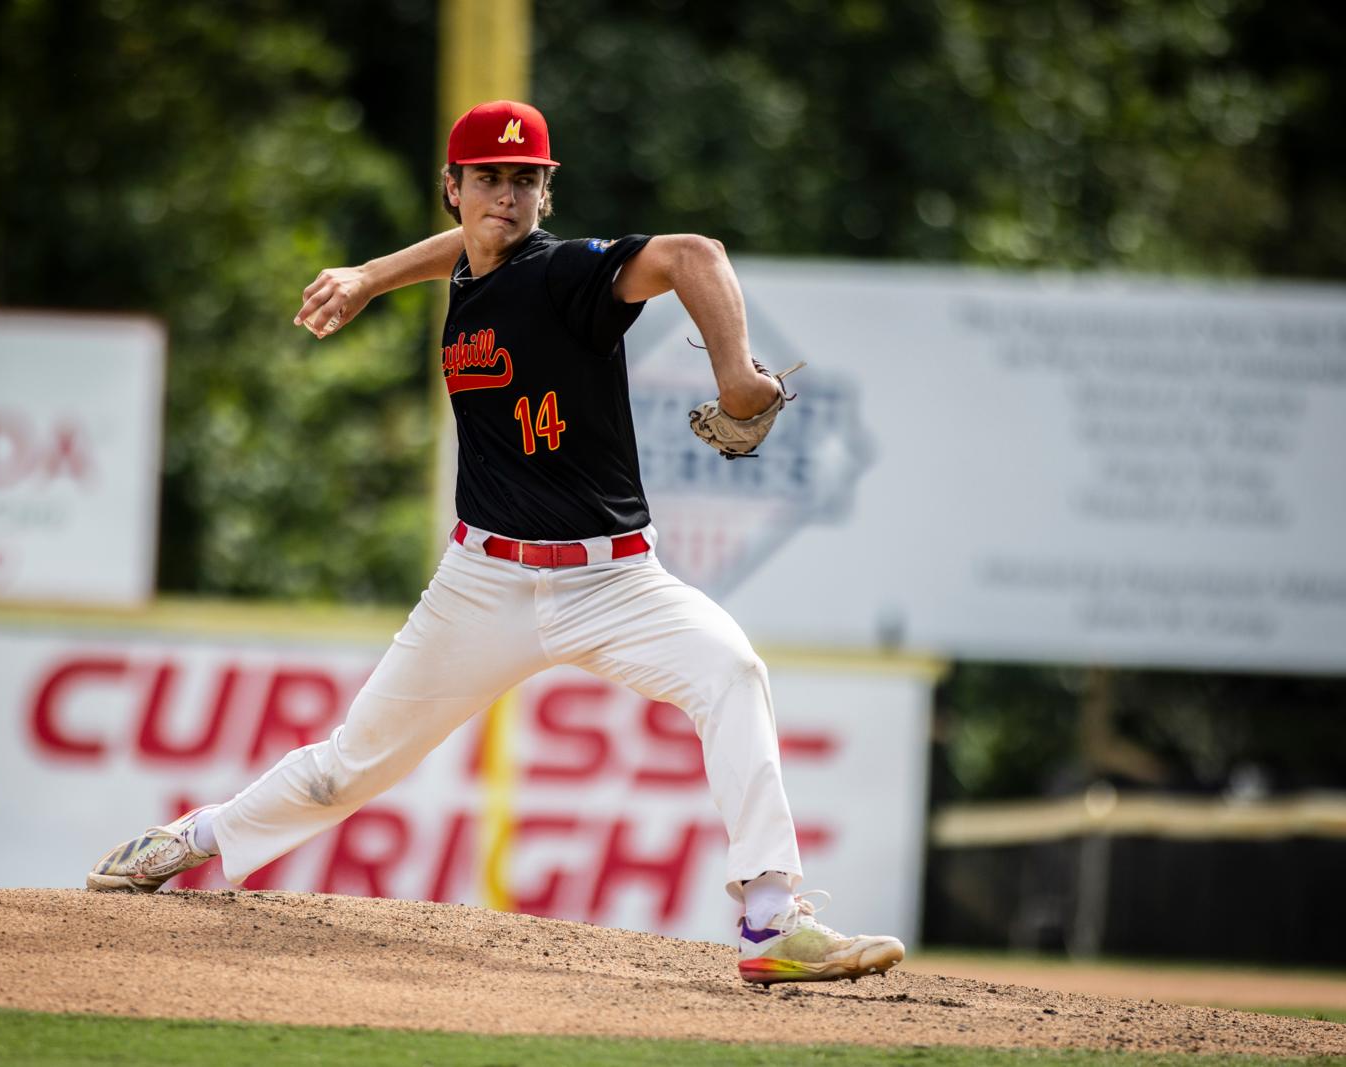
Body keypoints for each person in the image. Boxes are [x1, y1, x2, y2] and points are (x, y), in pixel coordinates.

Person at [87, 100, 904, 985]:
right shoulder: (475, 271)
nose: (505, 197)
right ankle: (193, 838)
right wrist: (366, 276)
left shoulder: (569, 278)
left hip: (615, 582)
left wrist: (737, 374)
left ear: (547, 193)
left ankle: (770, 919)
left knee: (733, 672)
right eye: (488, 179)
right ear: (454, 187)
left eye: (524, 180)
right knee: (354, 765)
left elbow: (692, 255)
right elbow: (467, 251)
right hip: (481, 584)